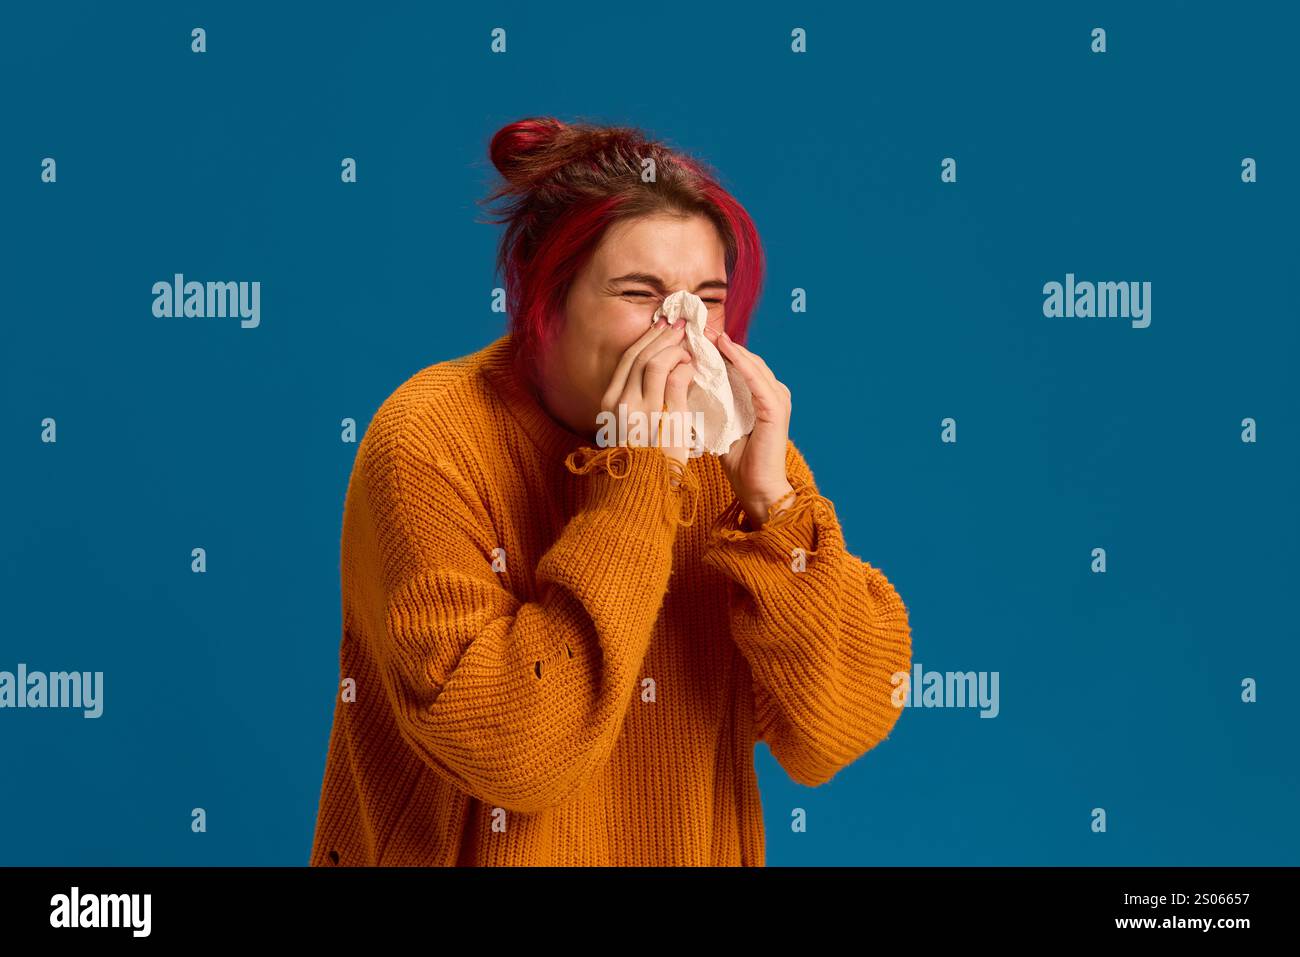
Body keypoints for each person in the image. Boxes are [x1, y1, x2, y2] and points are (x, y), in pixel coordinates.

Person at [309, 116, 912, 866]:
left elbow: (836, 728)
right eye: (641, 293)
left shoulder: (733, 456)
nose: (684, 330)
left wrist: (774, 510)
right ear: (546, 304)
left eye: (709, 299)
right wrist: (636, 483)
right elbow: (516, 754)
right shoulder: (431, 437)